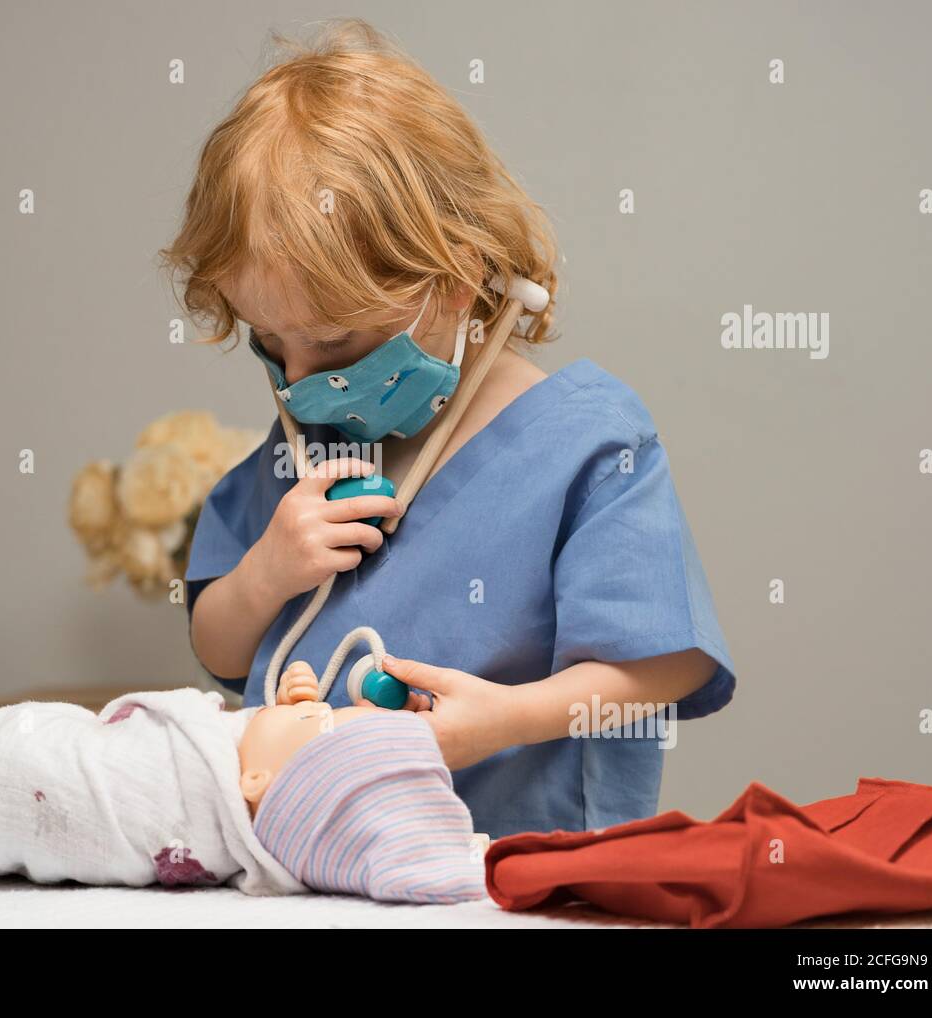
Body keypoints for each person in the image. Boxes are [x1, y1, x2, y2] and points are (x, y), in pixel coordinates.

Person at [161, 19, 736, 838]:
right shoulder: (304, 454)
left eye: (335, 343)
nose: (297, 380)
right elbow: (221, 650)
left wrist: (505, 719)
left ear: (460, 275)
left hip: (517, 876)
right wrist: (264, 575)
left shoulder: (585, 444)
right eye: (270, 341)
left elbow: (665, 665)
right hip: (312, 874)